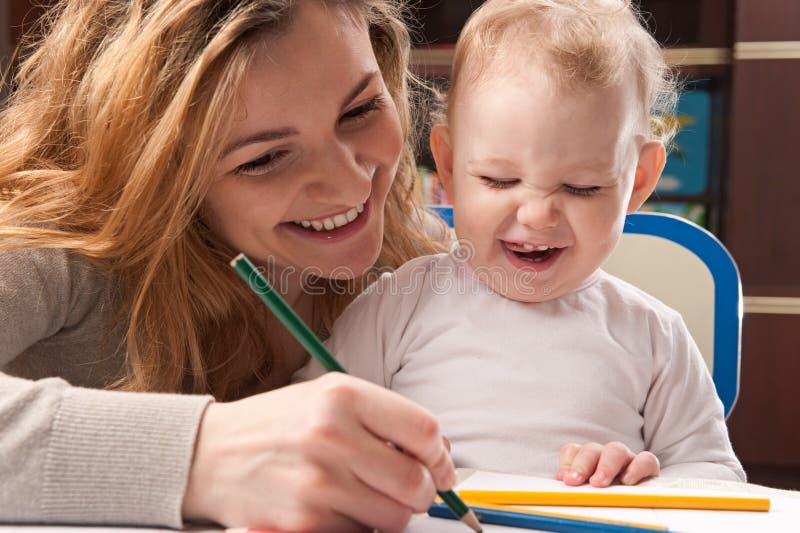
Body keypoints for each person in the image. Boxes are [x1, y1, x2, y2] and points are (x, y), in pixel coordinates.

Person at [0, 1, 459, 531]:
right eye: (263, 159)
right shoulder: (62, 247)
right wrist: (203, 455)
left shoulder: (418, 253)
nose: (351, 184)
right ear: (156, 169)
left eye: (359, 111)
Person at [296, 0, 746, 488]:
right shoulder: (397, 307)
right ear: (447, 165)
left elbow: (715, 480)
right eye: (498, 179)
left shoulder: (655, 337)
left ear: (637, 181)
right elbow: (306, 428)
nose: (537, 214)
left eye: (581, 188)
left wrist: (642, 477)